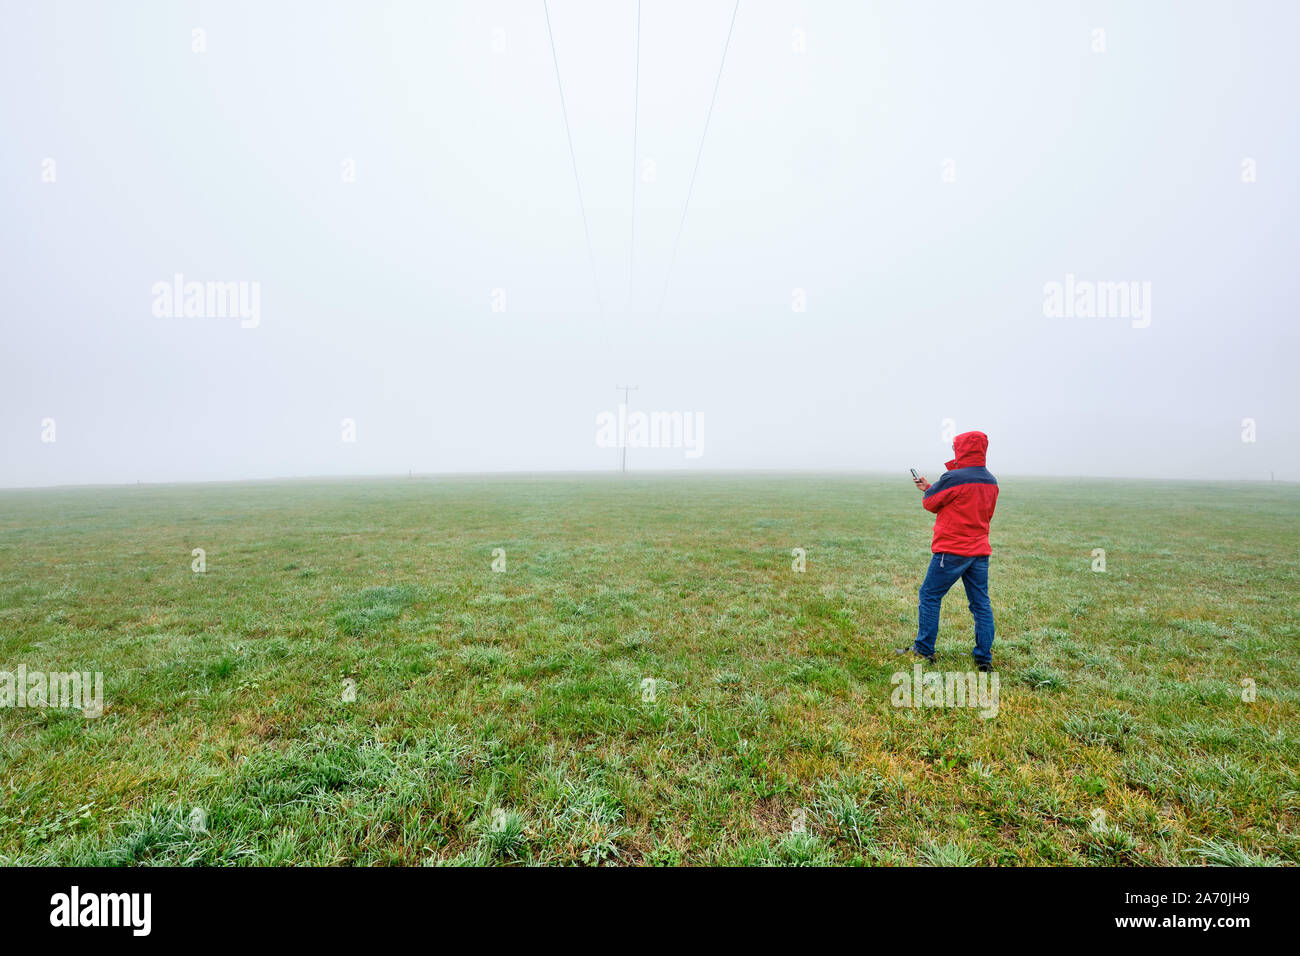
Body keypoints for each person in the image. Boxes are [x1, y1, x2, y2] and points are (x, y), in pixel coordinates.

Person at [896, 431, 999, 671]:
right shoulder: (991, 480)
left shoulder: (954, 477)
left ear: (961, 449)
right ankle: (983, 658)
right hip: (980, 551)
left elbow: (931, 502)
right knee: (981, 604)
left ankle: (924, 650)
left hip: (951, 550)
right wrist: (932, 486)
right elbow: (965, 502)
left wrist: (929, 489)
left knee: (930, 595)